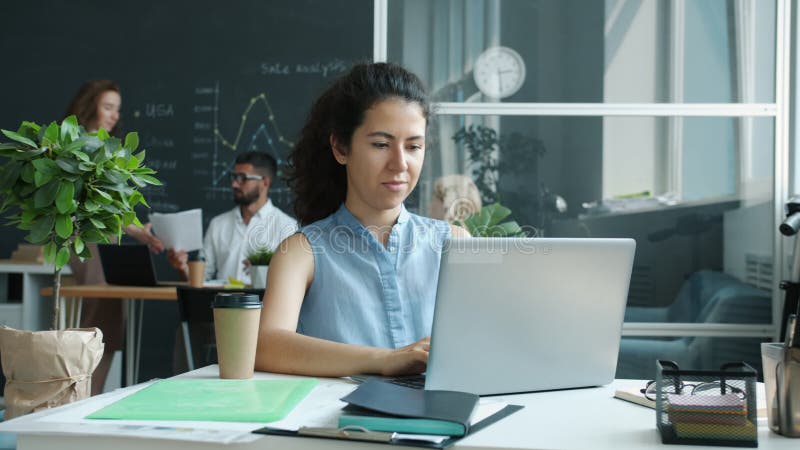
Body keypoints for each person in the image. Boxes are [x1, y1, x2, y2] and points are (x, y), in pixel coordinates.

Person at [254, 62, 469, 378]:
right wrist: (385, 360)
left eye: (413, 146)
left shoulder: (454, 242)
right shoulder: (302, 251)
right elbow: (266, 346)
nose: (399, 164)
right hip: (338, 423)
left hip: (441, 420)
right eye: (381, 144)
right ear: (341, 148)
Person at [64, 79, 164, 395]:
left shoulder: (94, 145)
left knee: (101, 325)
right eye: (108, 107)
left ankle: (85, 397)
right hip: (90, 241)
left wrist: (137, 231)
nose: (114, 116)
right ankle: (83, 398)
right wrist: (140, 233)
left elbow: (112, 206)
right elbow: (105, 204)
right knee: (99, 325)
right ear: (89, 105)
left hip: (99, 240)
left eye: (117, 110)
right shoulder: (86, 145)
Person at [167, 152, 297, 284]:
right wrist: (183, 268)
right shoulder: (218, 224)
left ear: (265, 182)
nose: (234, 184)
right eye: (234, 177)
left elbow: (294, 282)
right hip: (219, 303)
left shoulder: (288, 228)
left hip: (265, 304)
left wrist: (265, 269)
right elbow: (201, 279)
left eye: (242, 178)